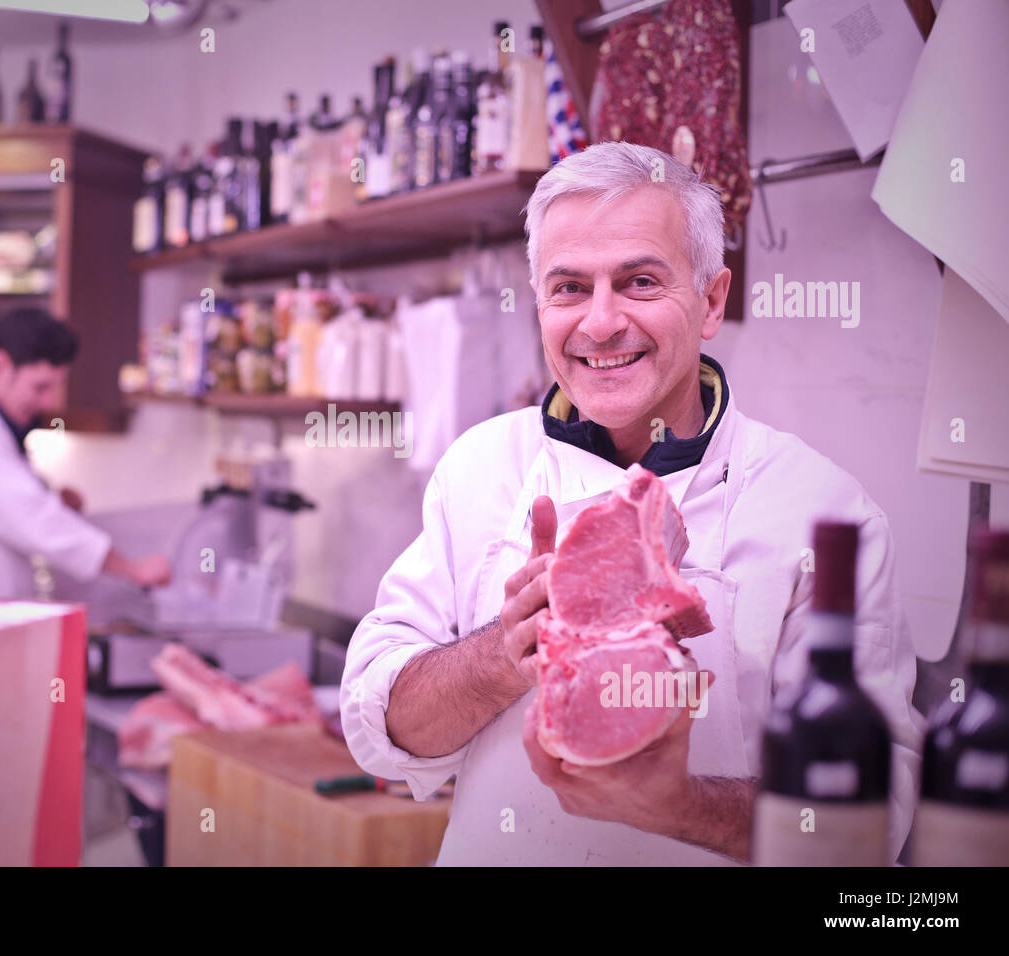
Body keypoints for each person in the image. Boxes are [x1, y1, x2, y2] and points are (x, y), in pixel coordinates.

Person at [340, 141, 924, 866]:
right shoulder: (479, 467)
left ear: (711, 300)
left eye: (640, 281)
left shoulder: (822, 512)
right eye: (569, 288)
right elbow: (380, 728)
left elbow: (872, 817)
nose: (601, 323)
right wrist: (504, 650)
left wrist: (679, 806)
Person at [0, 307, 170, 599]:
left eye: (53, 387)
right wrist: (133, 570)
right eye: (40, 386)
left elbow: (8, 503)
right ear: (0, 365)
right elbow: (26, 514)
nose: (47, 402)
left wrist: (53, 501)